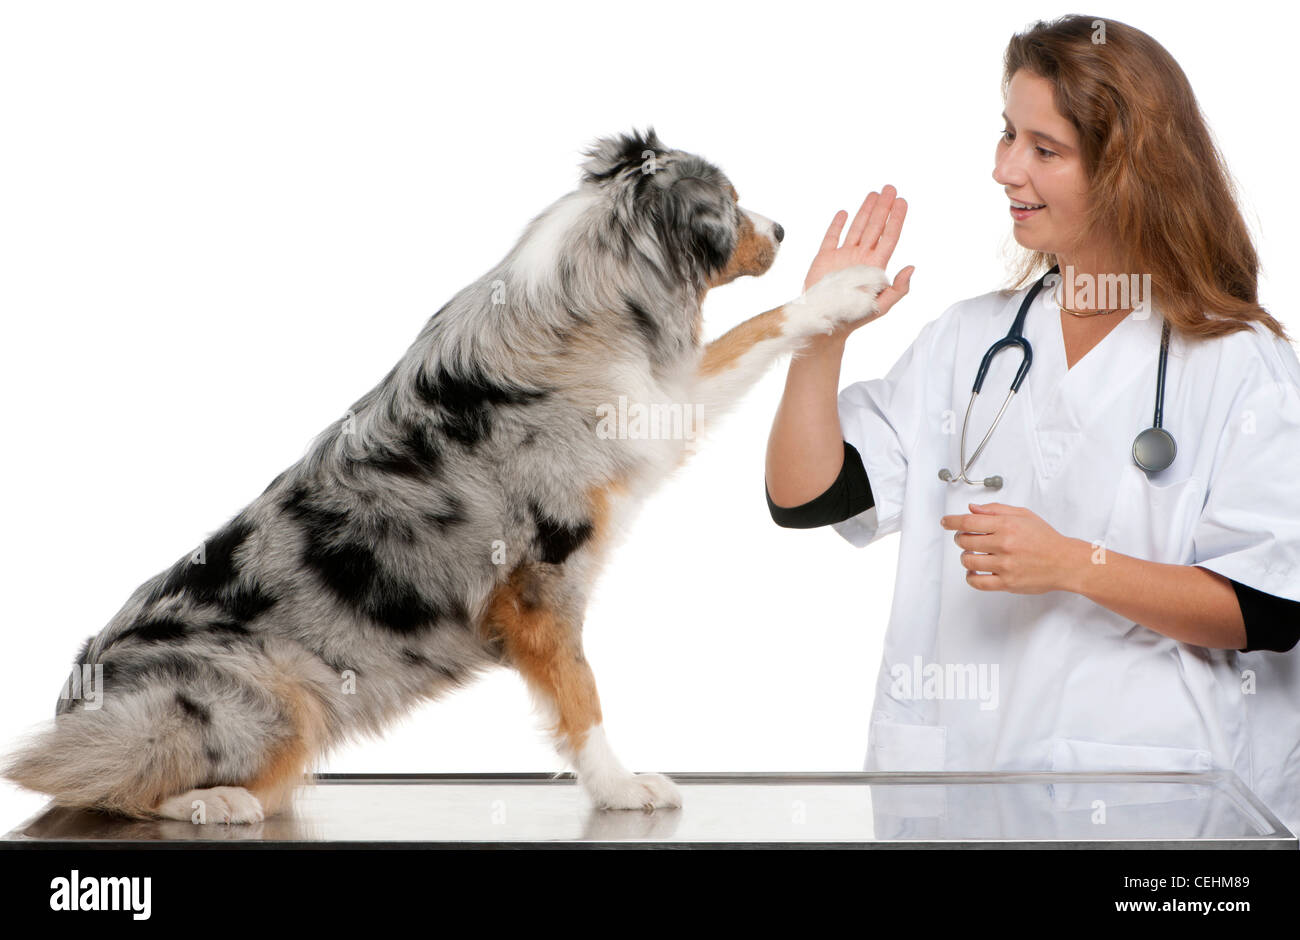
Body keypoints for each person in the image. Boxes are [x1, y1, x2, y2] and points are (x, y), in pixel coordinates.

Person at [765, 14, 1300, 838]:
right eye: (1007, 134)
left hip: (1153, 808)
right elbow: (809, 497)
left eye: (1043, 150)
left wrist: (1072, 563)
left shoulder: (1235, 361)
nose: (1003, 168)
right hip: (964, 790)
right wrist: (818, 337)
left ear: (1131, 173)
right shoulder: (970, 342)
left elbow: (1269, 607)